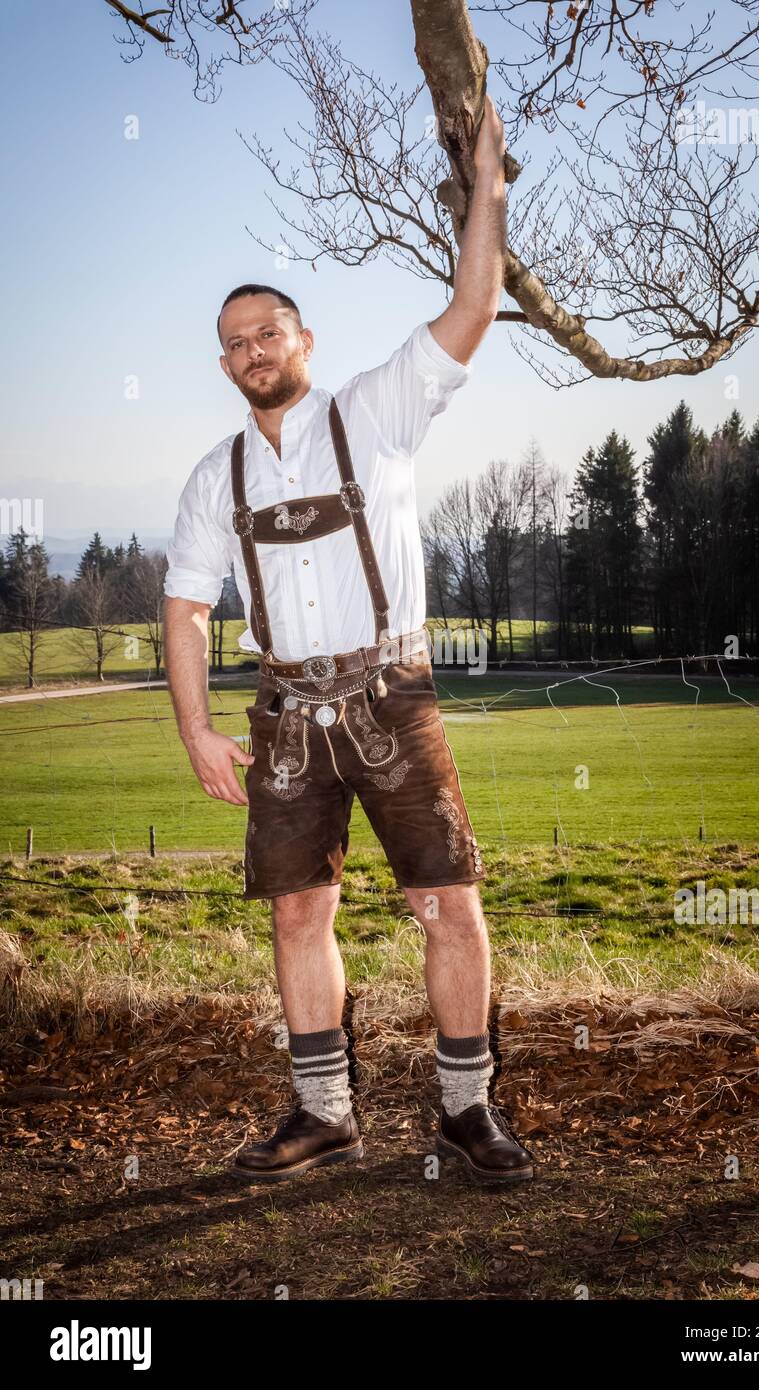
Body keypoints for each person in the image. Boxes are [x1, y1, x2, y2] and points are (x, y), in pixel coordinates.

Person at [163, 94, 533, 1186]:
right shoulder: (215, 477)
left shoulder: (375, 411)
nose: (252, 350)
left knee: (446, 903)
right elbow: (185, 609)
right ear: (225, 365)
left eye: (267, 332)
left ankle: (466, 1110)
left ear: (304, 341)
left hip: (390, 694)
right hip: (282, 715)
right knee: (297, 913)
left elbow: (474, 301)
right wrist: (195, 730)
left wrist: (485, 185)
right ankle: (324, 1113)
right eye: (235, 343)